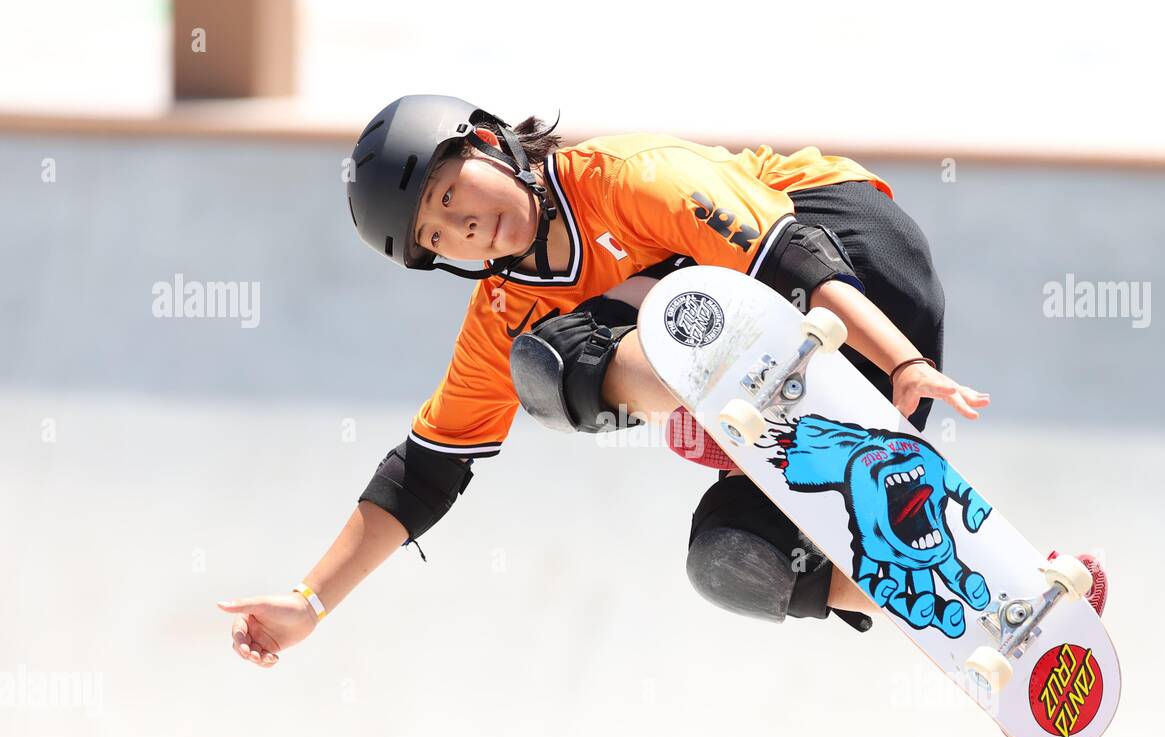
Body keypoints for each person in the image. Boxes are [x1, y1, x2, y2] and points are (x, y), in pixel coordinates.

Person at [220, 94, 991, 667]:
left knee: (569, 351)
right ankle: (982, 597)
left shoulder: (624, 177)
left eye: (452, 195)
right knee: (732, 558)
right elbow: (424, 473)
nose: (462, 228)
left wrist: (903, 361)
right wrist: (309, 603)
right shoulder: (501, 312)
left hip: (854, 263)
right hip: (821, 367)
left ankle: (725, 392)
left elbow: (793, 259)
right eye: (436, 233)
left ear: (490, 144)